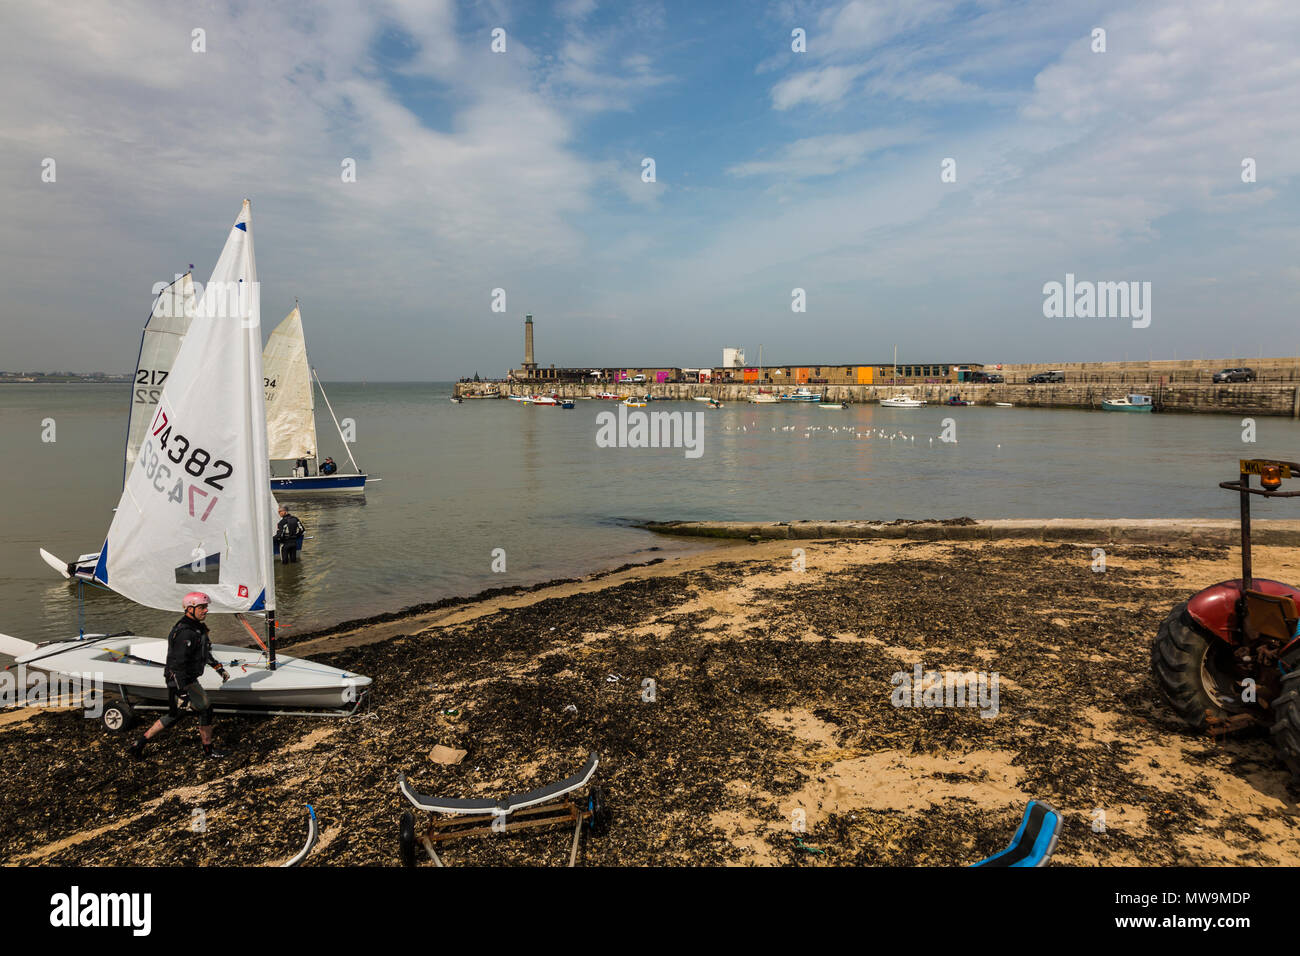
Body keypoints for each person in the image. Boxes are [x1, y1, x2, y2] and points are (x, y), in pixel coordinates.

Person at [129, 592, 229, 760]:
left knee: (178, 714)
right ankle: (208, 750)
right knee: (200, 709)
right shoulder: (185, 632)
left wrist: (218, 667)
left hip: (187, 679)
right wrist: (181, 691)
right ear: (190, 609)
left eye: (206, 607)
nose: (206, 611)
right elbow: (177, 665)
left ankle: (139, 744)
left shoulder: (199, 627)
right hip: (178, 680)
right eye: (202, 607)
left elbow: (203, 652)